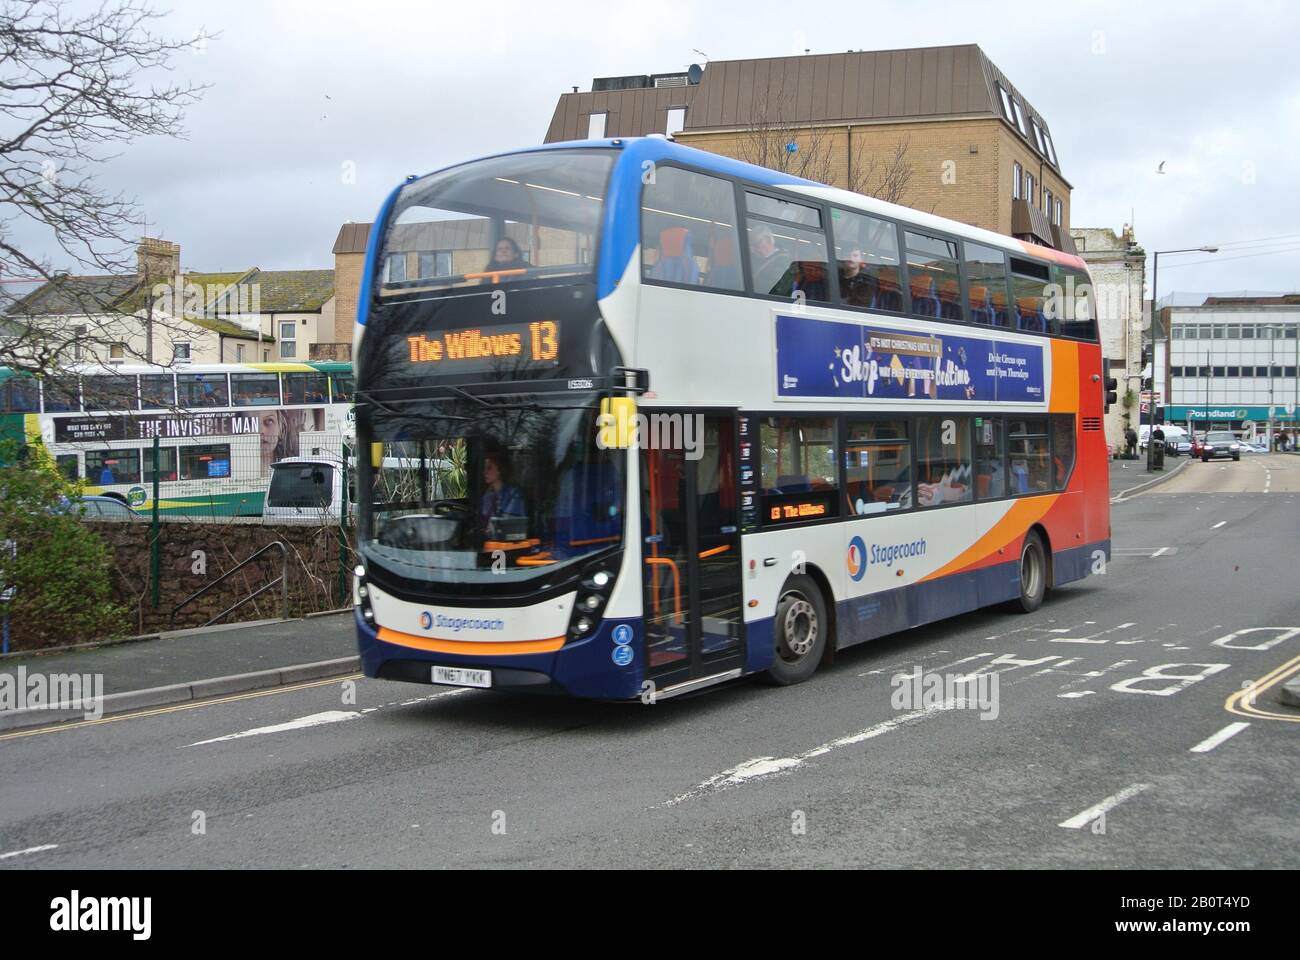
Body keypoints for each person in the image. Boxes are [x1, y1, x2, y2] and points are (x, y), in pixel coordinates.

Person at [480, 451, 526, 530]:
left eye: (489, 468)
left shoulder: (514, 495)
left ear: (499, 470)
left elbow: (507, 524)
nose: (485, 472)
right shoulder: (487, 496)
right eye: (484, 468)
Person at [748, 224, 789, 296]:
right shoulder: (756, 258)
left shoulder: (783, 261)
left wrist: (748, 281)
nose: (753, 250)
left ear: (768, 240)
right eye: (751, 245)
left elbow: (775, 286)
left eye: (756, 244)